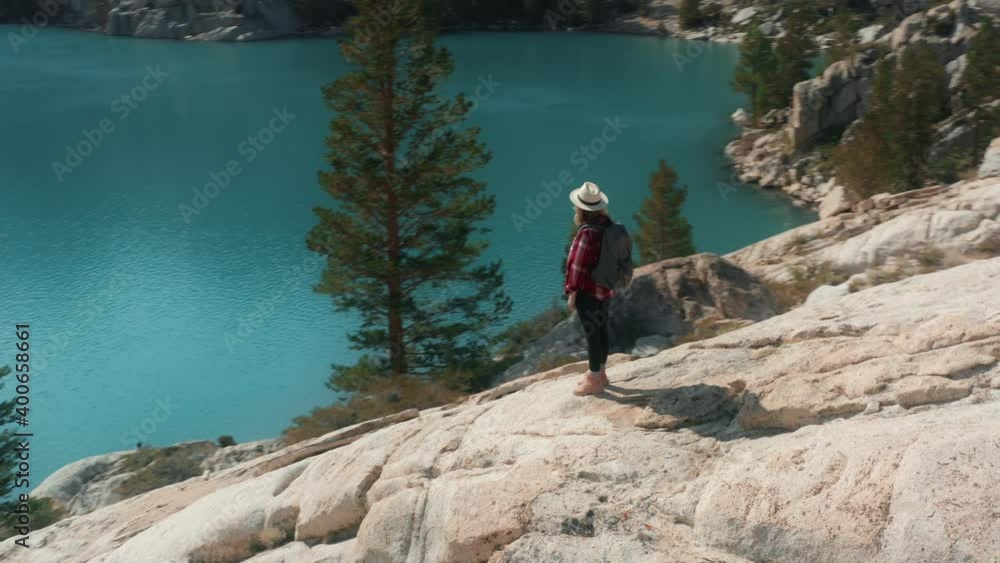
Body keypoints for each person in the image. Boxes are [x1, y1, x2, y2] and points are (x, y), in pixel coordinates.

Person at [564, 181, 614, 396]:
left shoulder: (587, 234)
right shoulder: (608, 227)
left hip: (588, 293)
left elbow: (578, 266)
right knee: (601, 331)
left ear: (580, 209)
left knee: (591, 335)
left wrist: (572, 294)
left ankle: (594, 379)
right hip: (605, 291)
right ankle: (601, 373)